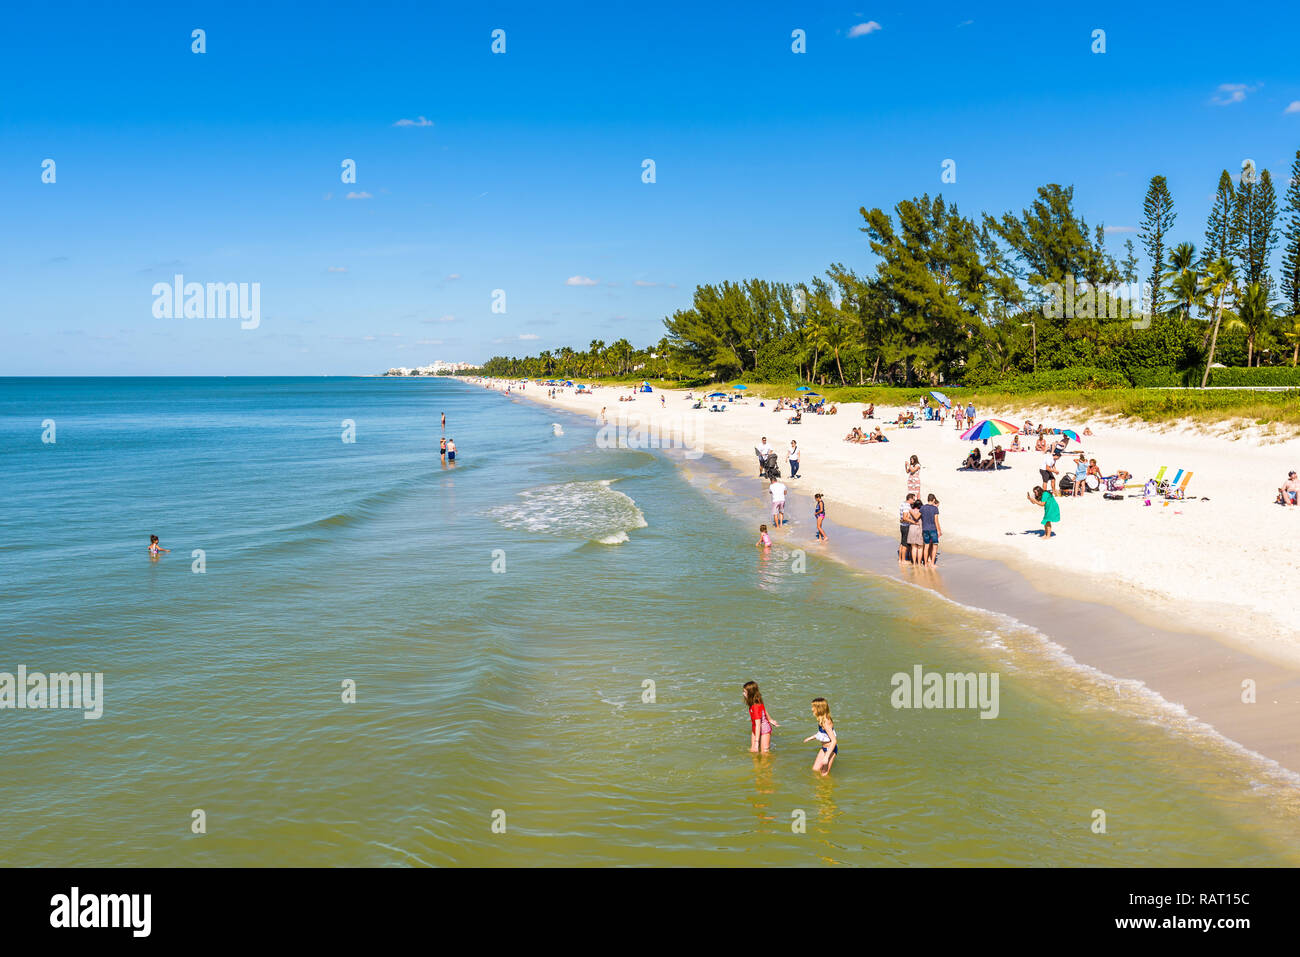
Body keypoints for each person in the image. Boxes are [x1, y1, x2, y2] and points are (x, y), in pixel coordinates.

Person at [743, 681, 780, 753]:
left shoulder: (755, 707)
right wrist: (770, 719)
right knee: (753, 751)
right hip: (755, 727)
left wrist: (756, 742)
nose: (743, 694)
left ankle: (771, 763)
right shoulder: (756, 700)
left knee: (764, 752)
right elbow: (763, 709)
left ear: (750, 694)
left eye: (745, 692)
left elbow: (758, 725)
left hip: (764, 729)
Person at [803, 698, 837, 775]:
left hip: (830, 750)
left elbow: (834, 741)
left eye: (813, 707)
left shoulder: (826, 722)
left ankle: (828, 786)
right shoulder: (821, 720)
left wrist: (826, 756)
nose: (812, 709)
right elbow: (823, 734)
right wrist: (811, 737)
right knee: (815, 769)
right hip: (824, 748)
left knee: (824, 774)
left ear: (819, 709)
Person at [919, 493, 942, 566]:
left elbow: (919, 517)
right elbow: (936, 521)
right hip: (933, 529)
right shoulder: (935, 508)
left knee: (926, 546)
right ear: (934, 500)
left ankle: (925, 563)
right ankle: (932, 563)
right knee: (935, 546)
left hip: (925, 529)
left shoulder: (922, 507)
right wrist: (939, 530)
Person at [898, 492, 917, 563]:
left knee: (902, 543)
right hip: (905, 526)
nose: (914, 501)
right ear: (910, 499)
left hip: (902, 525)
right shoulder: (906, 505)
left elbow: (903, 518)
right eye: (913, 499)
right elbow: (905, 517)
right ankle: (903, 560)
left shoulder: (903, 503)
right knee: (905, 544)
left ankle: (900, 559)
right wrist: (914, 522)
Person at [906, 499, 925, 564]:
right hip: (919, 528)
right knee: (920, 547)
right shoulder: (921, 511)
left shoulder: (910, 510)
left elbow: (907, 518)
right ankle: (919, 563)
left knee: (913, 547)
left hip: (912, 528)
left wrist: (913, 522)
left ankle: (914, 563)